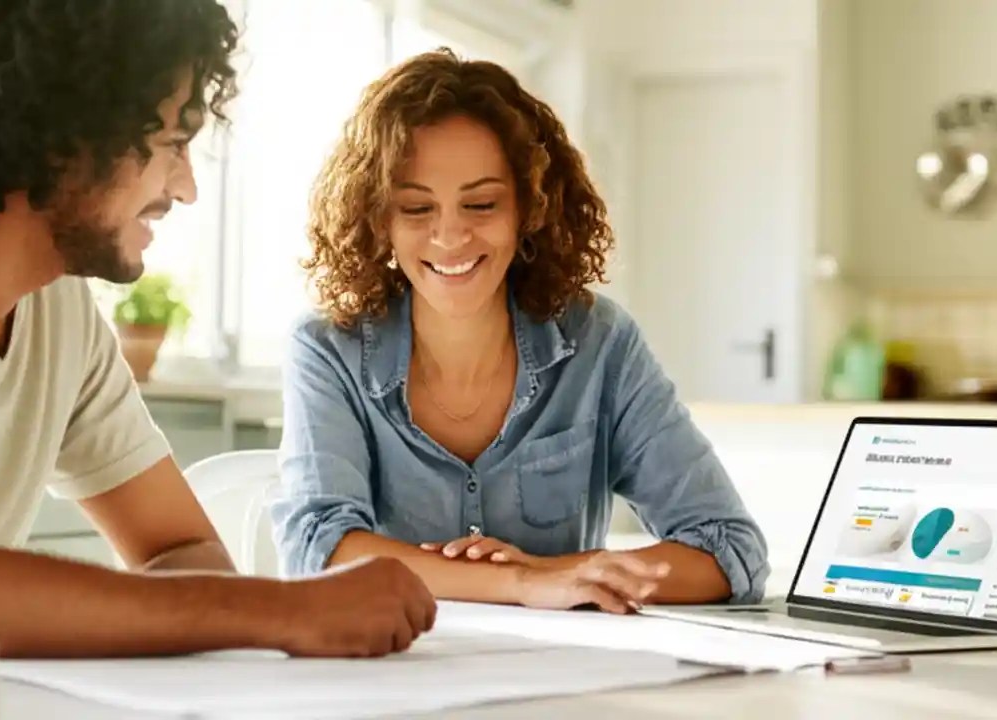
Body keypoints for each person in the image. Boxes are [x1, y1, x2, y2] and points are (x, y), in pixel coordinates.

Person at [0, 0, 434, 658]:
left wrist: (257, 611)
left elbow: (185, 554)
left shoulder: (60, 310)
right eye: (170, 145)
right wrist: (284, 608)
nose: (186, 188)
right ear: (62, 126)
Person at [274, 48, 769, 613]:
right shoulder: (326, 350)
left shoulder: (599, 342)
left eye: (481, 203)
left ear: (530, 207)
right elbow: (317, 549)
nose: (451, 236)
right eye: (415, 209)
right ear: (378, 217)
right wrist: (520, 585)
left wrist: (556, 570)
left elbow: (730, 551)